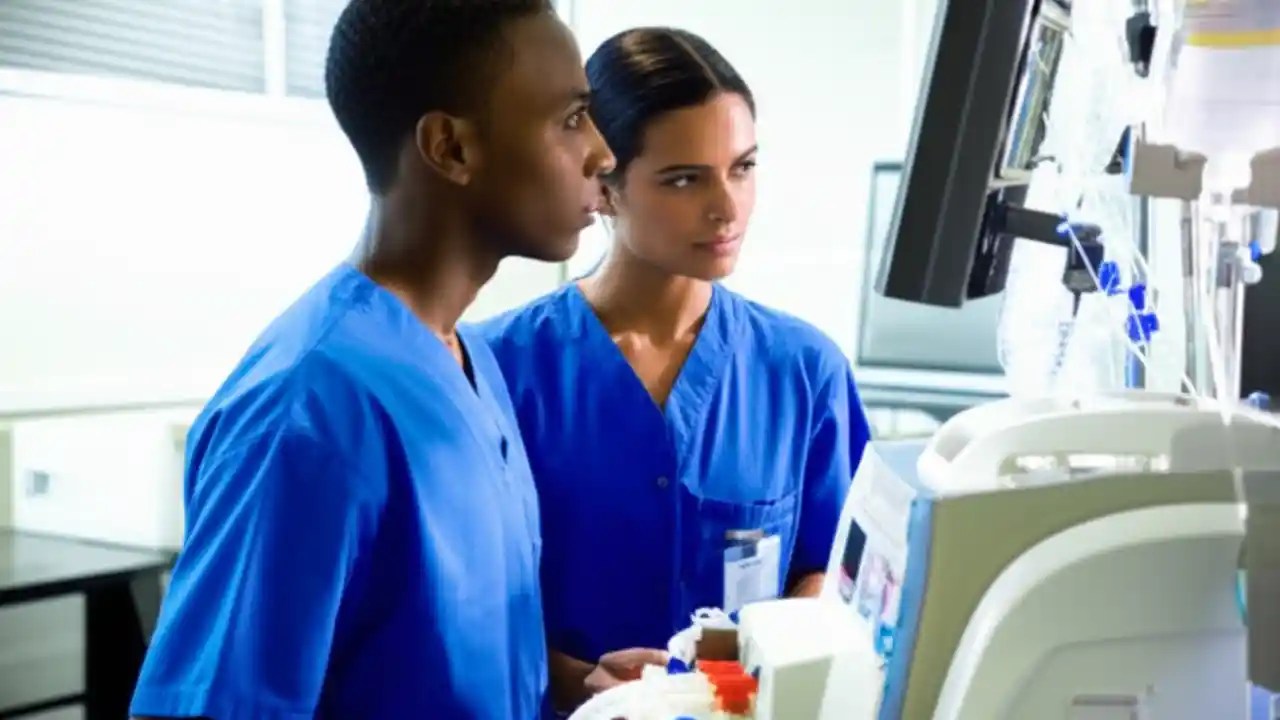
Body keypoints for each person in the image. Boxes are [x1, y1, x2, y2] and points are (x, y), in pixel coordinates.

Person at [128, 2, 615, 719]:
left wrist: (576, 686)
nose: (602, 152)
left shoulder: (465, 358)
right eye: (570, 119)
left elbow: (423, 650)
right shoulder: (307, 410)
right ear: (450, 148)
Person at [475, 26, 872, 712]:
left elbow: (832, 566)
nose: (727, 207)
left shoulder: (804, 371)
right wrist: (573, 680)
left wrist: (783, 647)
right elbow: (461, 604)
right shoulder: (500, 373)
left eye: (743, 167)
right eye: (685, 179)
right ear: (604, 183)